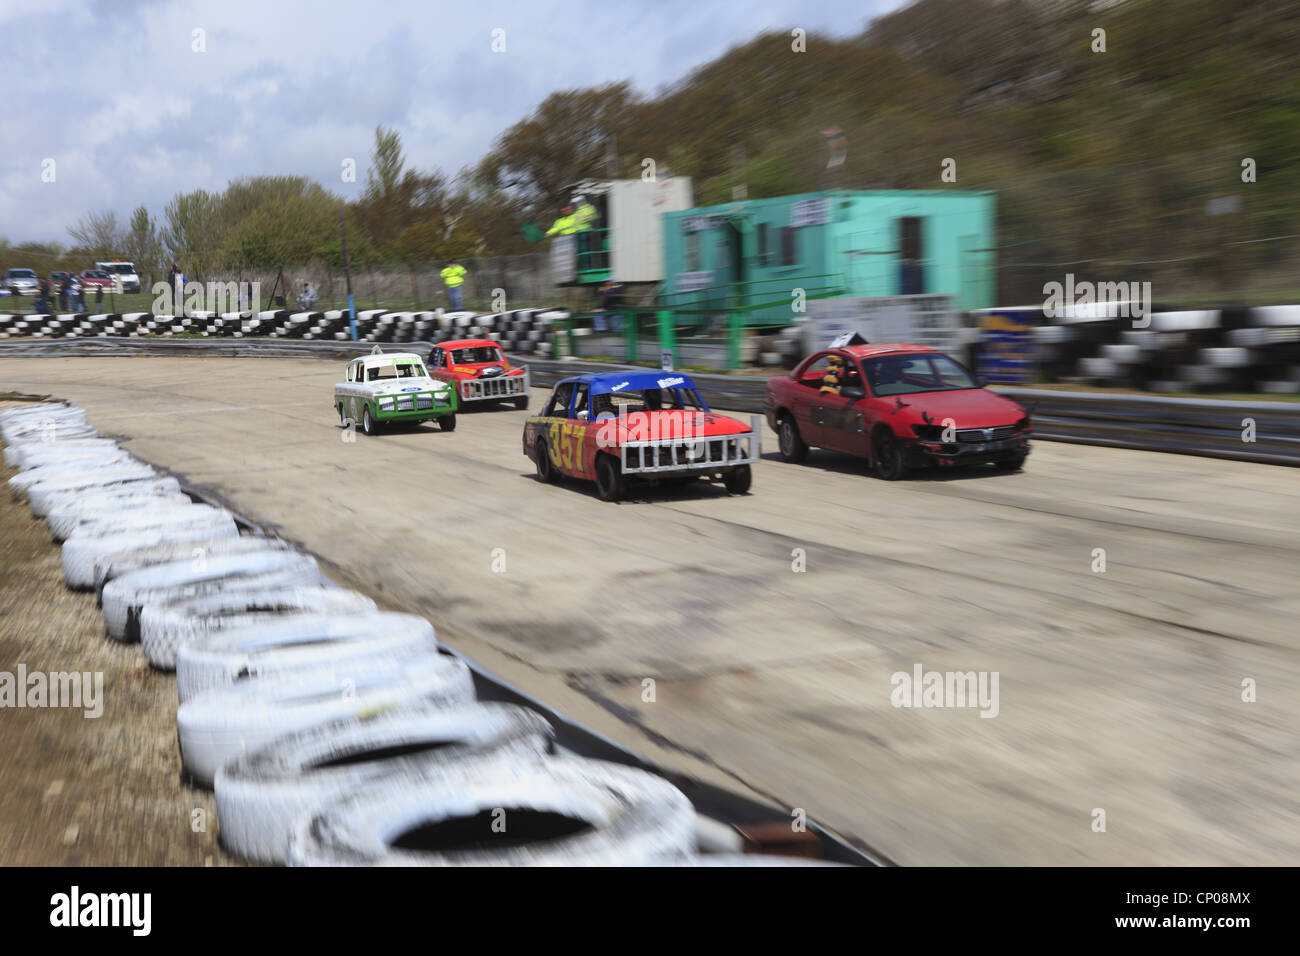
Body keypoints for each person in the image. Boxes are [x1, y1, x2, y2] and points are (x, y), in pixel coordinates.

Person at [572, 195, 598, 270]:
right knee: (581, 251)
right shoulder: (578, 211)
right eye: (576, 202)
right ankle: (583, 266)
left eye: (577, 202)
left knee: (586, 250)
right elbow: (575, 222)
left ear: (581, 201)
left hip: (586, 232)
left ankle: (588, 266)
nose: (577, 204)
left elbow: (594, 216)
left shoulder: (589, 208)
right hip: (579, 233)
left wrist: (585, 219)